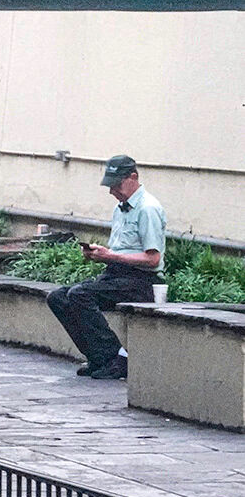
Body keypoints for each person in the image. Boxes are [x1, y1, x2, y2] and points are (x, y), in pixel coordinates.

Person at [46, 155, 166, 380]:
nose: (112, 191)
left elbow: (153, 260)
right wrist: (99, 255)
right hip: (116, 275)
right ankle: (99, 357)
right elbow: (121, 253)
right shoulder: (120, 209)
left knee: (80, 295)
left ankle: (117, 358)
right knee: (58, 297)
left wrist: (112, 256)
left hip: (141, 281)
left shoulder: (147, 209)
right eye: (110, 186)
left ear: (133, 178)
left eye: (117, 185)